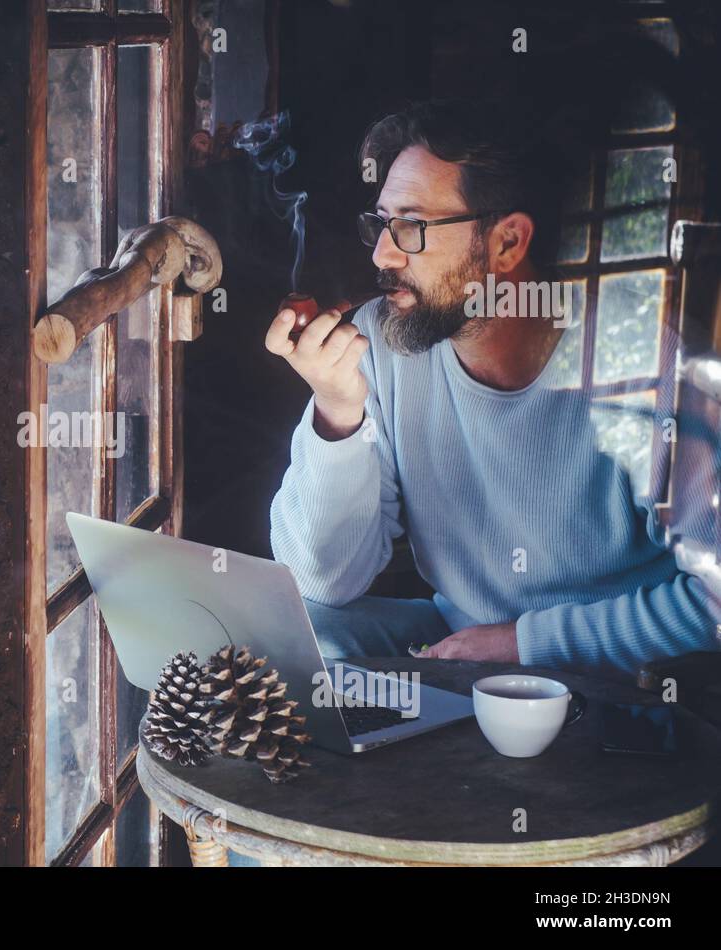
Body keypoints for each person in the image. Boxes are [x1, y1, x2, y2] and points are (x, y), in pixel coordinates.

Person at [265, 99, 717, 678]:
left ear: (507, 242)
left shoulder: (640, 361)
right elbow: (321, 579)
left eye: (412, 227)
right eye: (381, 224)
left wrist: (528, 644)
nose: (382, 254)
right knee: (291, 633)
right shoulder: (382, 340)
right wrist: (337, 409)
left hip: (619, 671)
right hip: (459, 642)